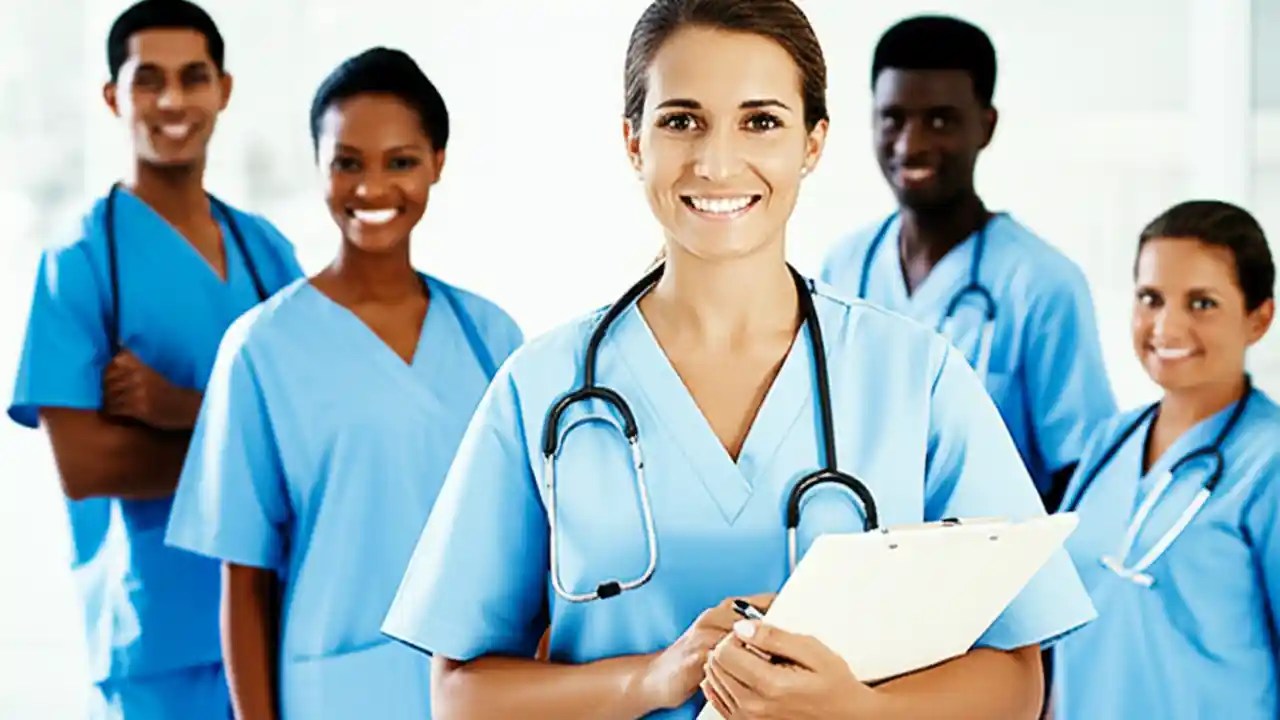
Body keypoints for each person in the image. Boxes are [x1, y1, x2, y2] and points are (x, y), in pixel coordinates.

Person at [380, 1, 1094, 718]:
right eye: (681, 120)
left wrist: (856, 711)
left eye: (761, 121)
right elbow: (459, 694)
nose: (717, 162)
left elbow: (1015, 677)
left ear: (813, 144)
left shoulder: (914, 376)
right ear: (634, 142)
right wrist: (650, 679)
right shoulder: (542, 386)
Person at [164, 48, 524, 720]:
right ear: (320, 168)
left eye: (401, 161)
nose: (373, 187)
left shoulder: (492, 337)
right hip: (331, 694)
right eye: (347, 162)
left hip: (481, 691)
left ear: (437, 164)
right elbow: (244, 579)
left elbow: (531, 549)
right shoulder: (261, 348)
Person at [6, 1, 303, 717]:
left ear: (222, 90)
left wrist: (181, 411)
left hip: (278, 627)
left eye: (193, 77)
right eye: (148, 81)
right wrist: (248, 451)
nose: (172, 101)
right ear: (113, 97)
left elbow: (312, 437)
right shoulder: (80, 263)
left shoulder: (268, 253)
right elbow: (87, 468)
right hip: (155, 649)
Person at [818, 15, 1115, 511]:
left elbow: (1080, 473)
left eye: (940, 120)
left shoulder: (1042, 282)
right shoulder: (844, 266)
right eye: (893, 117)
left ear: (986, 125)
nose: (910, 144)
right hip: (861, 557)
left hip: (994, 569)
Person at [1052, 201, 1279, 720]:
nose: (1166, 327)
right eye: (1150, 299)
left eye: (1202, 303)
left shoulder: (1267, 464)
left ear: (1259, 317)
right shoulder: (1110, 440)